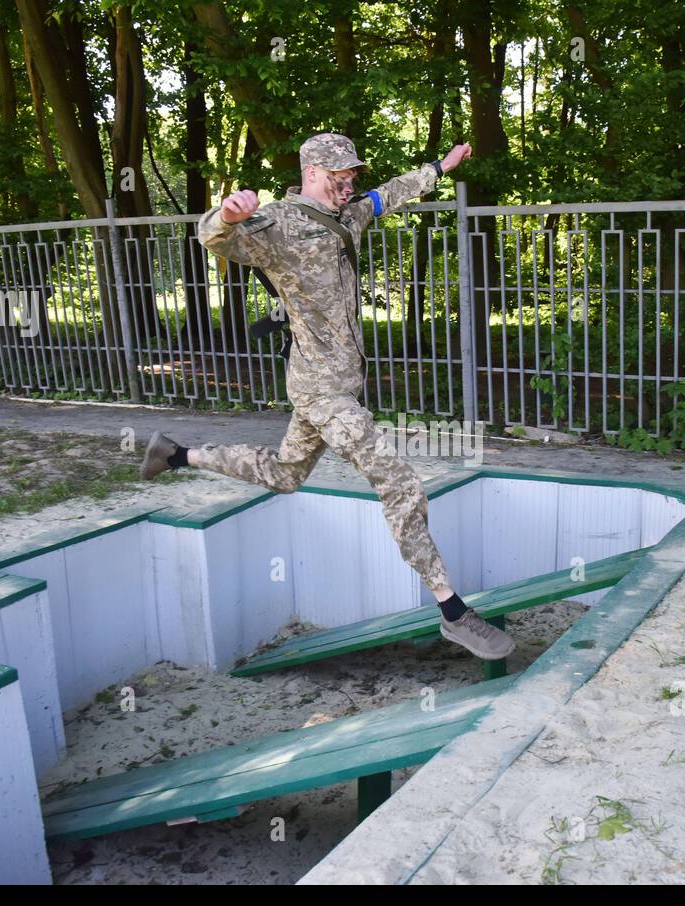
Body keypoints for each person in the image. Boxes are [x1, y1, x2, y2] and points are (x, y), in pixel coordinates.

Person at [141, 133, 513, 659]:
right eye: (341, 175)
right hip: (320, 389)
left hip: (339, 382)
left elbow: (390, 193)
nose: (350, 182)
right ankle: (453, 611)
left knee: (285, 475)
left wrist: (439, 167)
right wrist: (226, 214)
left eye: (353, 174)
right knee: (399, 479)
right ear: (313, 170)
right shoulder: (276, 225)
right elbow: (215, 240)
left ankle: (177, 454)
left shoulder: (346, 215)